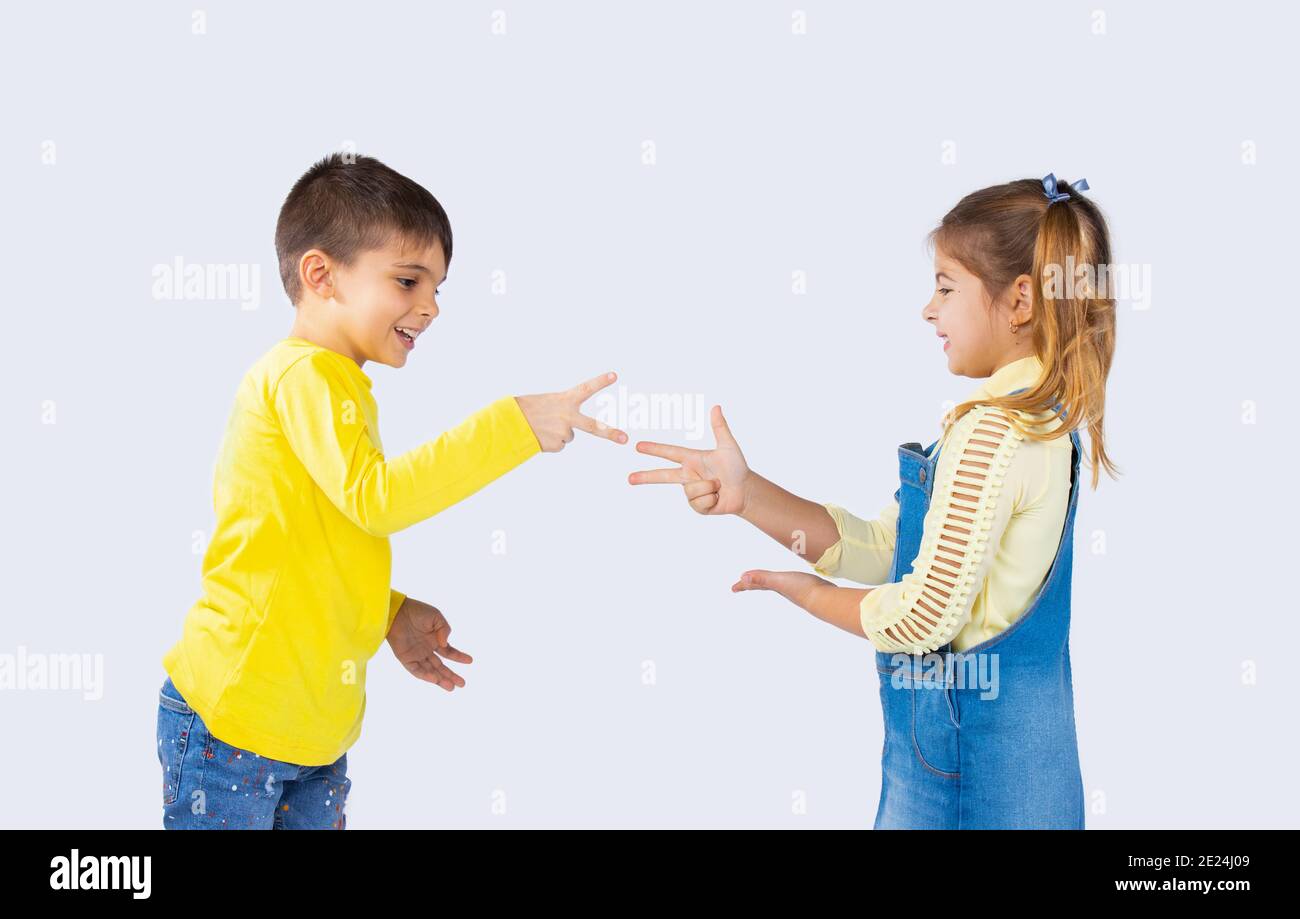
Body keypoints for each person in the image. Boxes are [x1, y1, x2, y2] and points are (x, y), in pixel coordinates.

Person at [629, 173, 1119, 829]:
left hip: (964, 780)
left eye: (946, 287)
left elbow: (922, 619)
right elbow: (888, 549)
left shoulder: (991, 432)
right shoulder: (1044, 421)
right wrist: (749, 497)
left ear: (1021, 300)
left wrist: (803, 592)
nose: (928, 309)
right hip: (1034, 780)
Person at [157, 152, 626, 828]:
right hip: (233, 726)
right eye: (408, 280)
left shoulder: (335, 383)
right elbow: (378, 498)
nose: (430, 307)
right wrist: (514, 424)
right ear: (321, 275)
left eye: (437, 287)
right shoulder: (303, 376)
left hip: (312, 735)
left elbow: (315, 542)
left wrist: (387, 611)